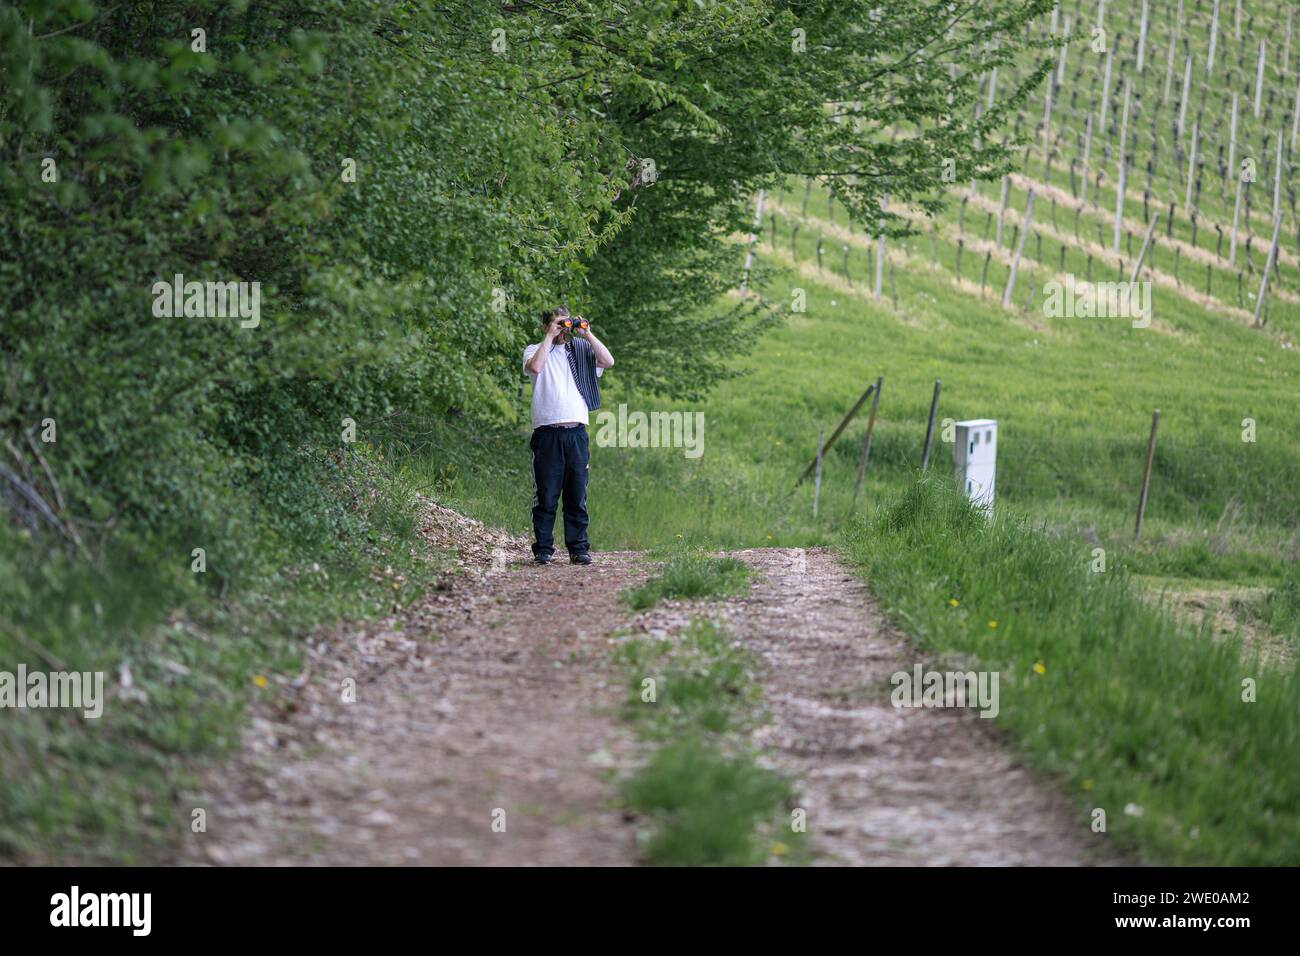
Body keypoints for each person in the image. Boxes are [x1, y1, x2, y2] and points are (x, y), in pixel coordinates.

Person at [522, 306, 615, 565]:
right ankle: (543, 548)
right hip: (547, 433)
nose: (564, 329)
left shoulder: (581, 352)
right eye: (558, 324)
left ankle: (578, 548)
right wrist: (550, 337)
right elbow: (536, 367)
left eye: (566, 324)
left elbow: (608, 361)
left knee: (576, 494)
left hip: (576, 433)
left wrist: (587, 333)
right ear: (546, 326)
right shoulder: (534, 350)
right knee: (546, 495)